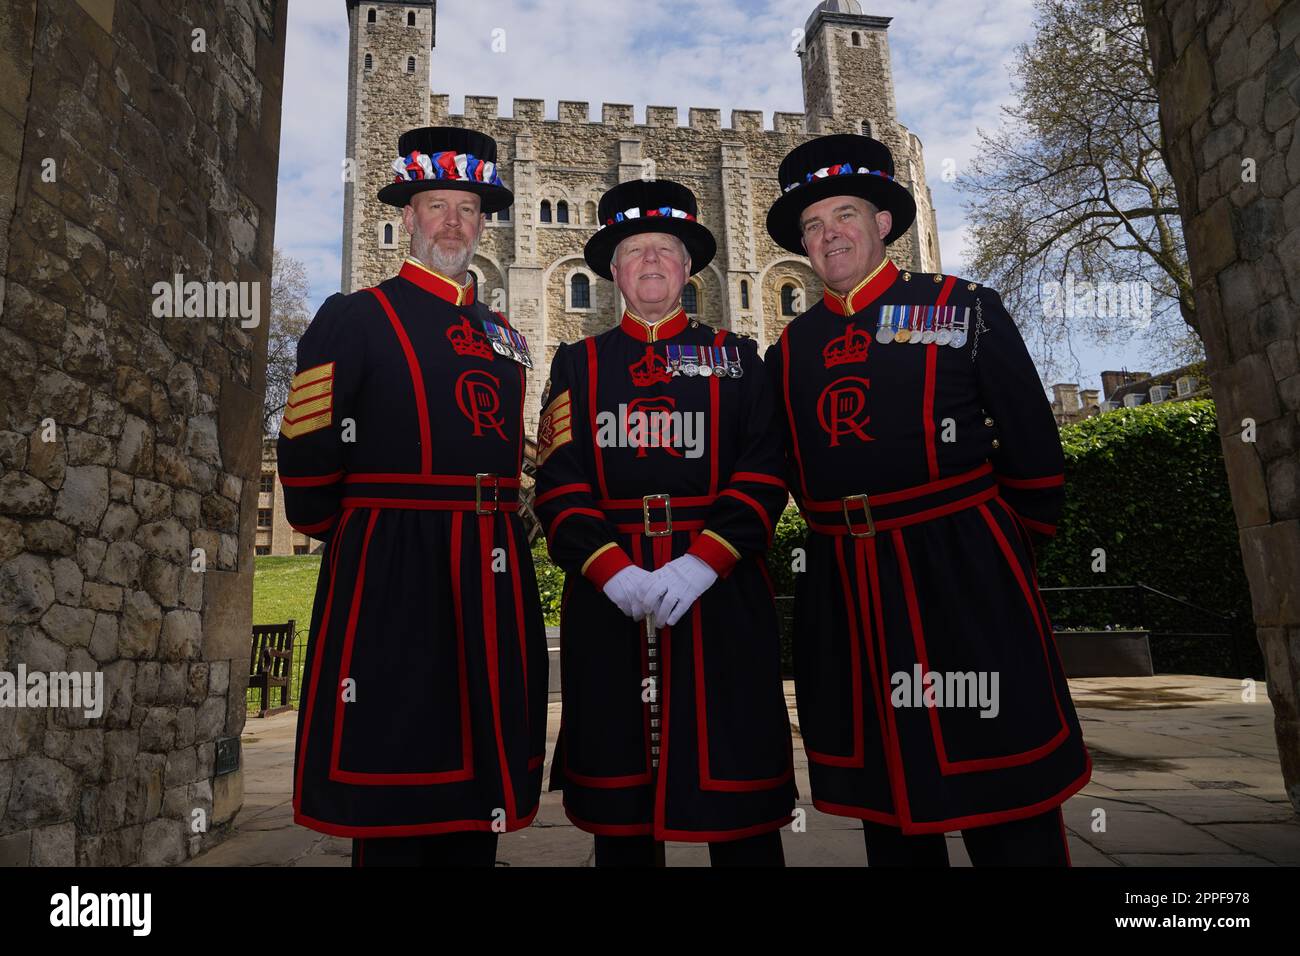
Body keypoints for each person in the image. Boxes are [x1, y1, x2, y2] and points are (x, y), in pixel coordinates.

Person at [763, 133, 1091, 866]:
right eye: (813, 225)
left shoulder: (958, 307)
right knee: (891, 803)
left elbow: (1033, 446)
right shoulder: (789, 351)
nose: (828, 234)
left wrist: (998, 549)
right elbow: (774, 466)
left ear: (883, 222)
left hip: (967, 577)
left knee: (1006, 789)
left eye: (844, 214)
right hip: (848, 589)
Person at [278, 127, 548, 867]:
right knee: (397, 760)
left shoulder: (507, 338)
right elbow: (306, 445)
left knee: (481, 766)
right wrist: (362, 533)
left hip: (491, 567)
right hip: (394, 562)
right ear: (408, 217)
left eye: (468, 208)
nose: (454, 222)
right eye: (438, 205)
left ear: (484, 222)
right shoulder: (356, 316)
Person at [533, 179, 795, 867]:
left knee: (740, 803)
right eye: (634, 251)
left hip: (722, 593)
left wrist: (705, 558)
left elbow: (767, 470)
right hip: (609, 598)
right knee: (622, 815)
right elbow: (557, 481)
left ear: (689, 269)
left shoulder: (739, 360)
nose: (651, 262)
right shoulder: (578, 364)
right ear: (613, 271)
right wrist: (608, 569)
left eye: (667, 250)